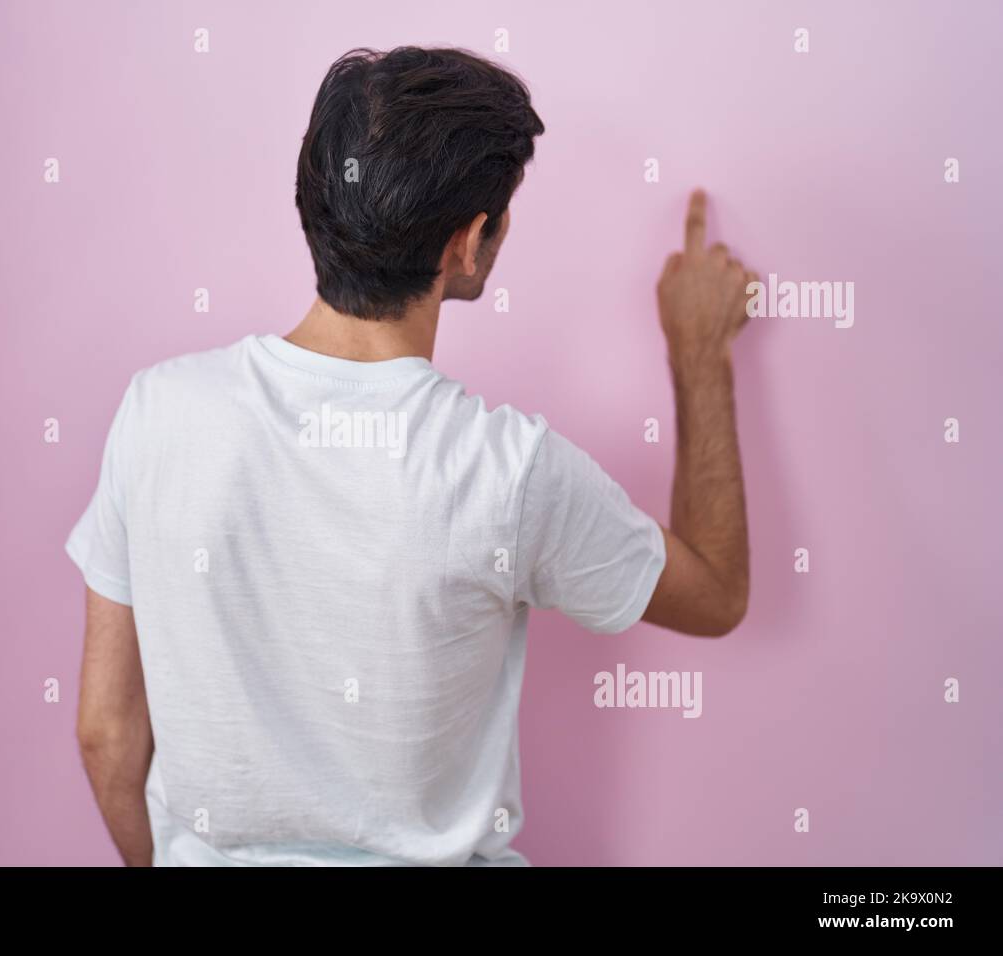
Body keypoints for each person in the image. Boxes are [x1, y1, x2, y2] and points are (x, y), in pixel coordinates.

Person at [67, 46, 754, 866]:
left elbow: (106, 733)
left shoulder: (157, 414)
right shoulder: (510, 473)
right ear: (470, 243)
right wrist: (698, 351)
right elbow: (716, 595)